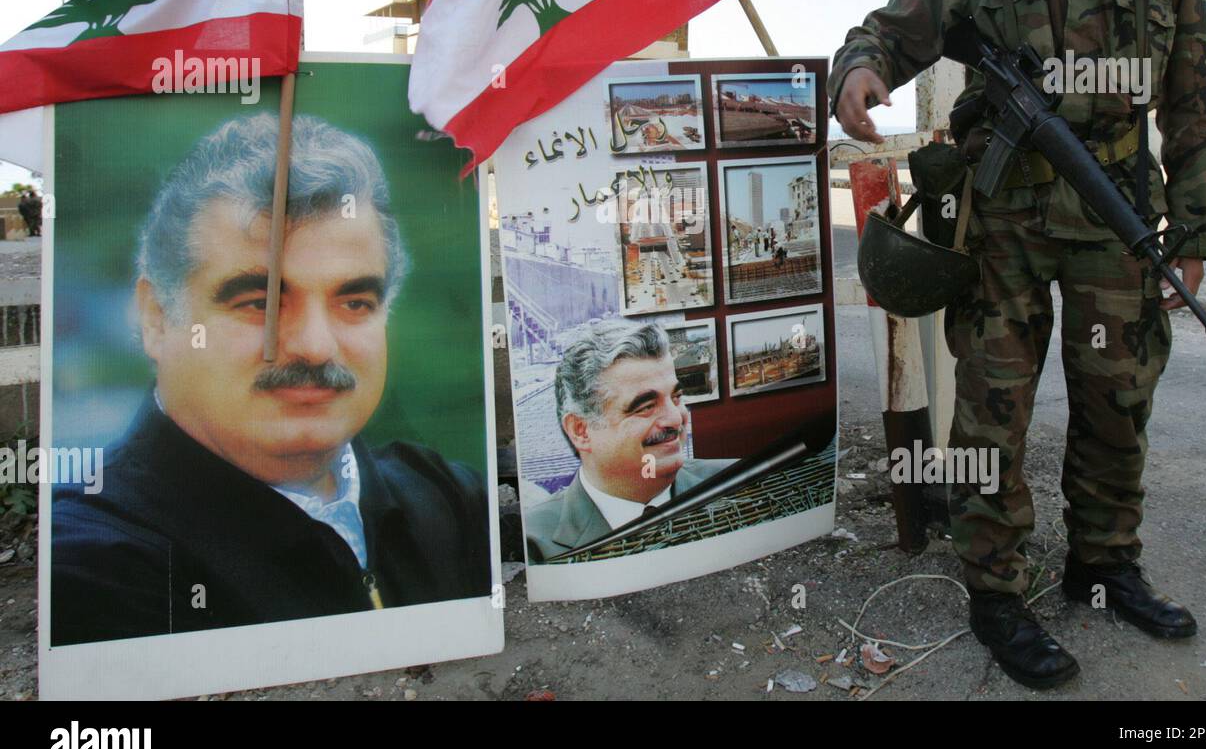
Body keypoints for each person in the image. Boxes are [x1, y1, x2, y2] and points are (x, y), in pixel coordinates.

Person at [831, 0, 1206, 688]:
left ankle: (1104, 567)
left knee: (1116, 402)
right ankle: (997, 594)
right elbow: (897, 24)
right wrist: (862, 69)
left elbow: (1192, 95)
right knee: (991, 414)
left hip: (1114, 212)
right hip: (1003, 218)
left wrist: (1200, 227)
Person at [52, 113, 491, 645]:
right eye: (259, 303)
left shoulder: (448, 497)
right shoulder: (96, 569)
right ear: (157, 318)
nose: (315, 345)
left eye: (354, 301)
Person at [526, 319, 732, 563]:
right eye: (646, 407)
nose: (676, 419)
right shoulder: (533, 542)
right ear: (580, 430)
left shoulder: (739, 484)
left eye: (676, 397)